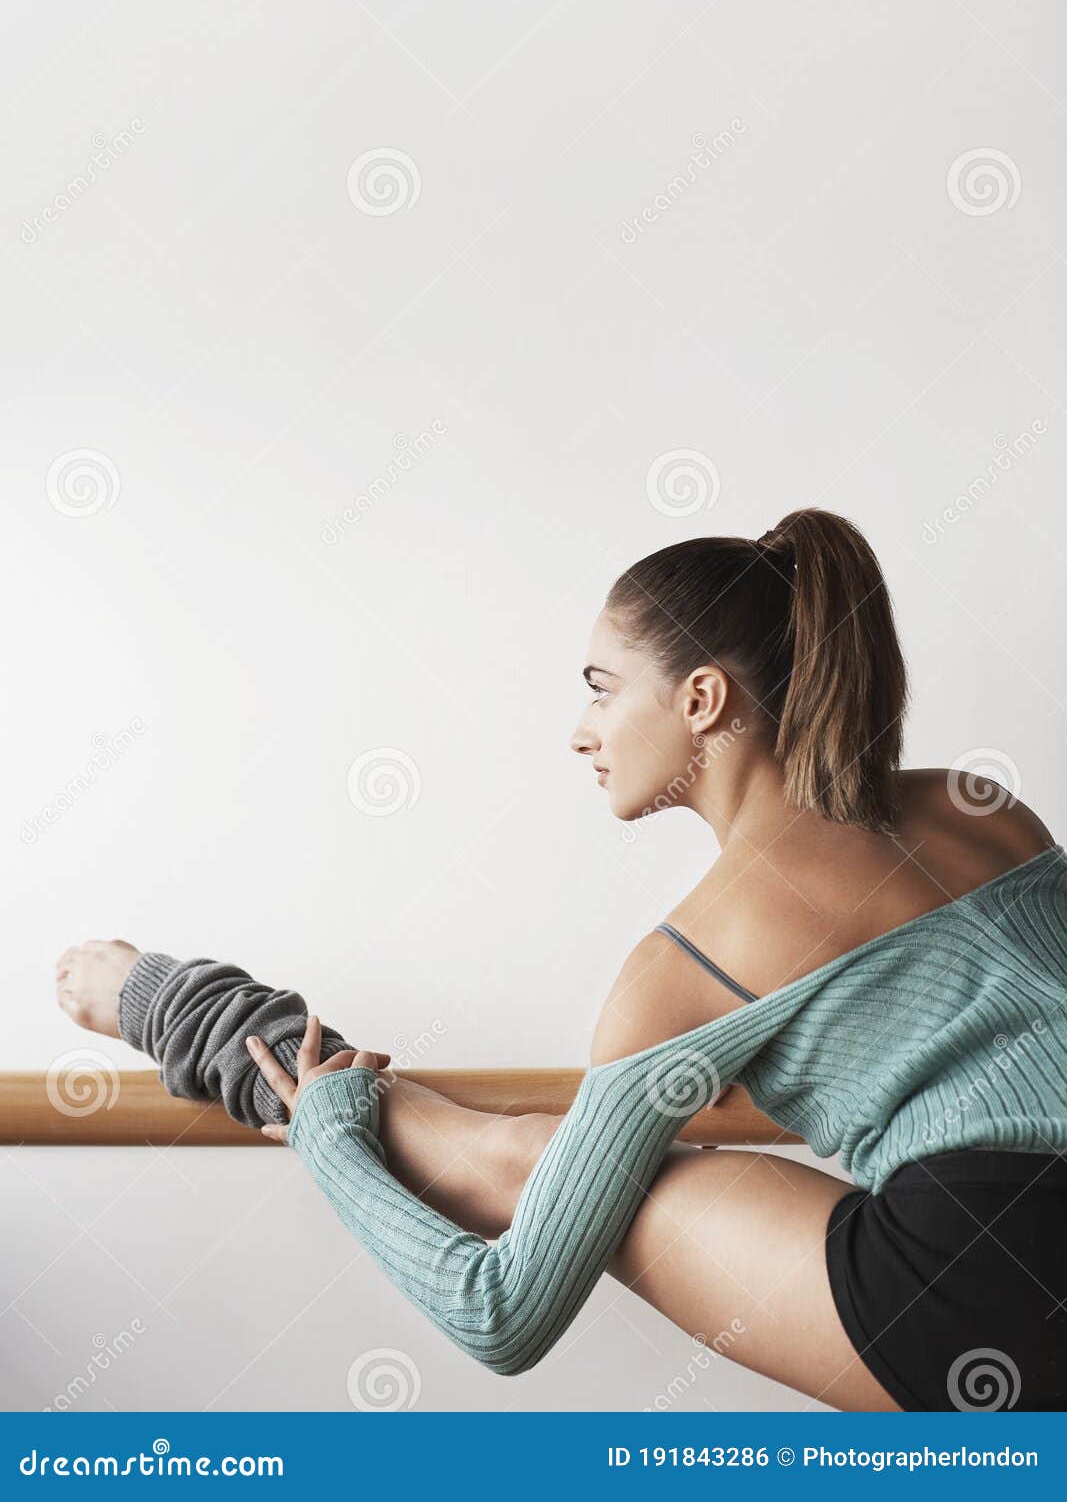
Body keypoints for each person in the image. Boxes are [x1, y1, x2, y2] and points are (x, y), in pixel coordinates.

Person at [56, 508, 1067, 1411]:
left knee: (554, 1172)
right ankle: (216, 1023)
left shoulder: (684, 967)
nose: (579, 732)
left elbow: (501, 1313)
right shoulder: (983, 810)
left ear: (701, 699)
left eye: (600, 689)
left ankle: (226, 1035)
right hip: (1005, 1275)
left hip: (986, 1303)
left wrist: (326, 1139)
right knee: (569, 1160)